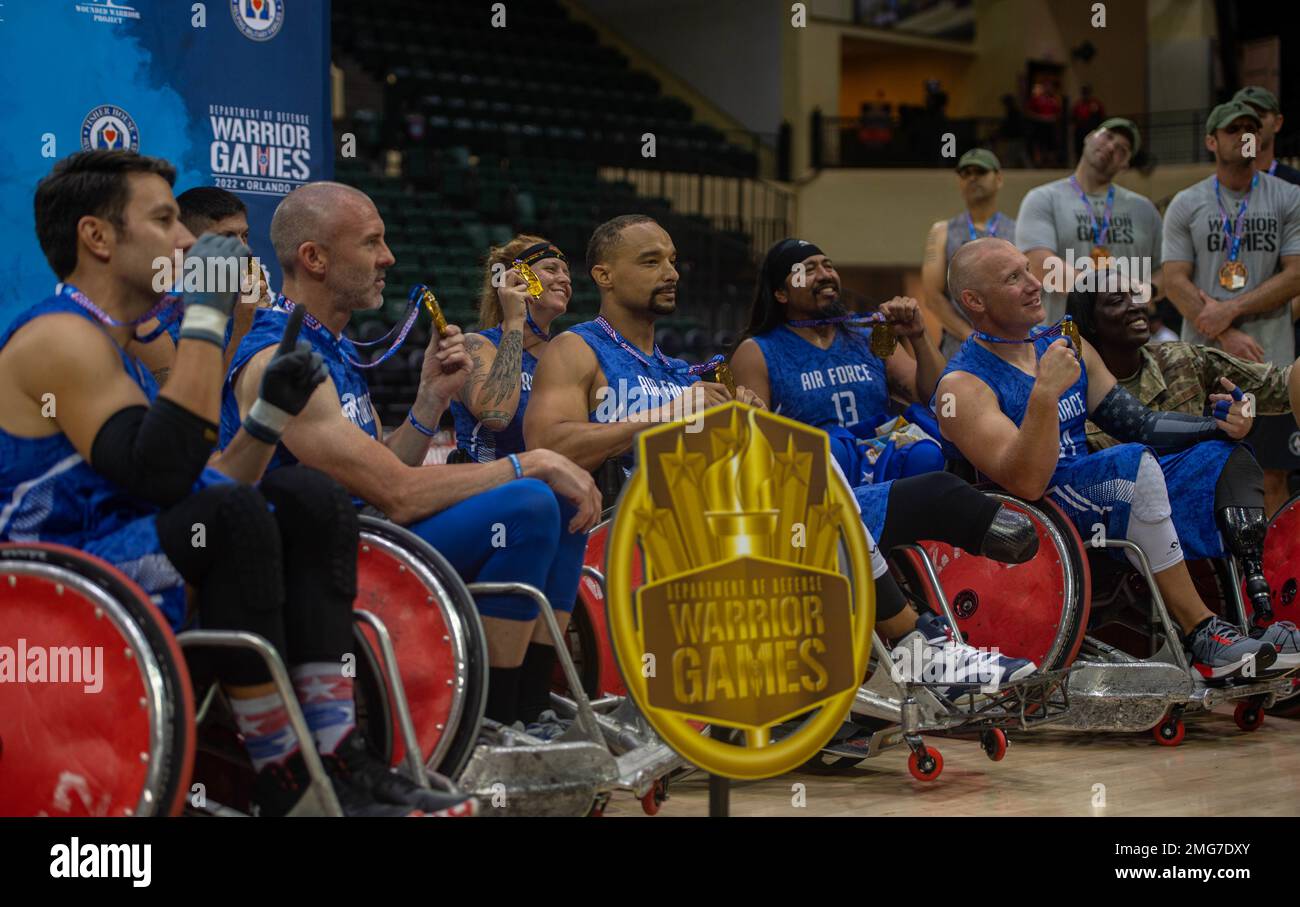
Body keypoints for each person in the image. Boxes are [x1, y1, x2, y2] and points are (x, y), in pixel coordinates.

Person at [0, 150, 472, 816]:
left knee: (311, 498)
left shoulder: (120, 342)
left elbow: (199, 477)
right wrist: (209, 314)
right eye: (165, 220)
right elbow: (166, 474)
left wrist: (267, 419)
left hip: (120, 558)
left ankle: (335, 754)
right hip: (50, 586)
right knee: (235, 517)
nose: (189, 240)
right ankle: (284, 771)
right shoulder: (60, 338)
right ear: (97, 237)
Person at [526, 215, 1040, 695]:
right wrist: (660, 417)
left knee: (834, 472)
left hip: (719, 524)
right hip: (634, 533)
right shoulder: (578, 348)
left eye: (672, 259)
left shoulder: (677, 368)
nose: (671, 272)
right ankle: (915, 647)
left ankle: (901, 650)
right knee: (814, 478)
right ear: (604, 275)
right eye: (650, 261)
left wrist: (744, 418)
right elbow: (547, 447)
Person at [222, 182, 601, 737]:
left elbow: (381, 464)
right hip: (320, 562)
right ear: (315, 258)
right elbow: (396, 493)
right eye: (372, 243)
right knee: (529, 501)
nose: (388, 257)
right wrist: (533, 462)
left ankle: (530, 704)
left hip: (368, 535)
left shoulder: (330, 344)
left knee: (562, 505)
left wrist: (430, 400)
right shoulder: (282, 354)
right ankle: (493, 723)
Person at [935, 237, 1298, 677]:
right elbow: (1025, 482)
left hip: (1091, 487)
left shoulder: (1065, 345)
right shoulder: (961, 385)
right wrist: (1045, 394)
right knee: (1132, 465)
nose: (1035, 284)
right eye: (1014, 278)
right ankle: (1201, 632)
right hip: (1035, 512)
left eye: (1029, 271)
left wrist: (1216, 425)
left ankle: (1255, 619)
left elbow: (1140, 424)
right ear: (974, 300)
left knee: (1220, 455)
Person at [731, 237, 947, 485]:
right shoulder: (757, 351)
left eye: (828, 266)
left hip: (878, 457)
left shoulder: (868, 337)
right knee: (833, 450)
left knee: (925, 455)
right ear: (780, 293)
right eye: (808, 270)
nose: (825, 275)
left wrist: (919, 336)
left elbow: (935, 399)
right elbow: (753, 442)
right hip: (813, 472)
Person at [1068, 284, 1296, 517]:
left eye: (1137, 296)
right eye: (1117, 301)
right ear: (1089, 324)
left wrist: (1236, 419)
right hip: (1120, 521)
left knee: (1233, 456)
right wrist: (1219, 429)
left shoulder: (1183, 359)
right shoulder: (1070, 387)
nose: (1136, 306)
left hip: (1199, 510)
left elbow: (1278, 386)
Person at [1163, 101, 1300, 368]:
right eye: (1233, 129)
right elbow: (1174, 281)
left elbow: (1296, 275)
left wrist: (1232, 309)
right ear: (1211, 141)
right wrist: (1226, 332)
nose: (1244, 135)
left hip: (1269, 355)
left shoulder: (1290, 196)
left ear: (1259, 140)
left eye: (1251, 129)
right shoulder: (1186, 202)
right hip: (1203, 356)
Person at [1016, 118, 1162, 326]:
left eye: (1123, 149)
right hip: (1061, 337)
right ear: (1088, 137)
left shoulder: (1144, 209)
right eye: (1108, 136)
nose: (1111, 147)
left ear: (1125, 164)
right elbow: (1040, 264)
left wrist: (1150, 290)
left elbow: (1166, 270)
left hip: (1125, 340)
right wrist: (1108, 292)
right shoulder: (1043, 198)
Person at [449, 235, 569, 463]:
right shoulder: (475, 345)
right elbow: (496, 415)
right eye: (552, 269)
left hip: (550, 486)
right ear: (516, 278)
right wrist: (514, 321)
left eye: (566, 271)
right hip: (485, 487)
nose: (564, 279)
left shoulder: (566, 356)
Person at [921, 149, 1018, 357]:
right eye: (965, 173)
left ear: (999, 178)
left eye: (980, 172)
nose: (972, 177)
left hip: (1011, 345)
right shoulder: (942, 231)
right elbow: (932, 297)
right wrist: (973, 337)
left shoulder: (1019, 231)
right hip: (960, 349)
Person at [1232, 86, 1300, 185]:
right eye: (1242, 117)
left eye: (1258, 116)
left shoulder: (1294, 184)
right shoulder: (1221, 183)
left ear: (1277, 123)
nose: (1250, 124)